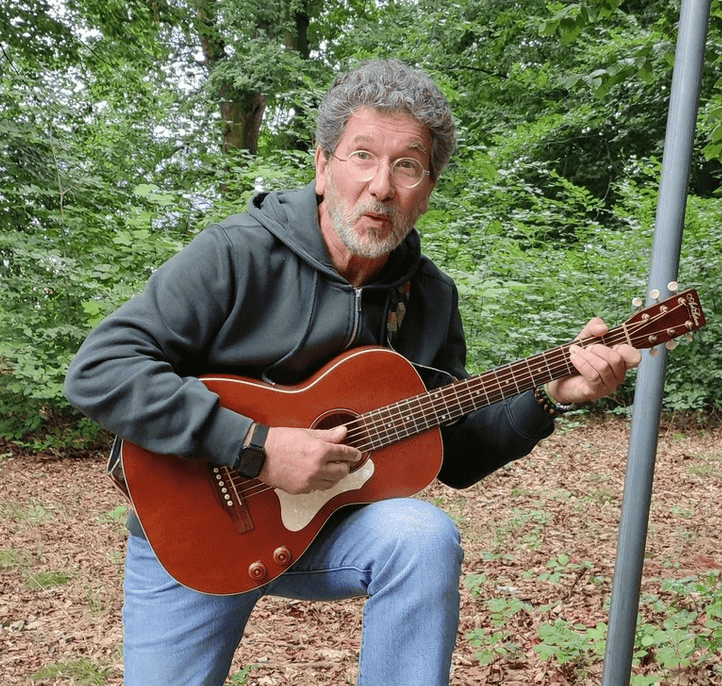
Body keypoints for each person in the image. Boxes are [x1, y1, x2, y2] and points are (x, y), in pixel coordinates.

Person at [64, 58, 642, 686]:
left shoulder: (428, 297)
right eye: (362, 155)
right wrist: (256, 446)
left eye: (407, 165)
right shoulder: (237, 254)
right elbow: (100, 369)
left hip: (332, 531)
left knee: (423, 538)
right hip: (194, 528)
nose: (381, 187)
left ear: (429, 186)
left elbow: (458, 452)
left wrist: (550, 395)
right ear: (322, 166)